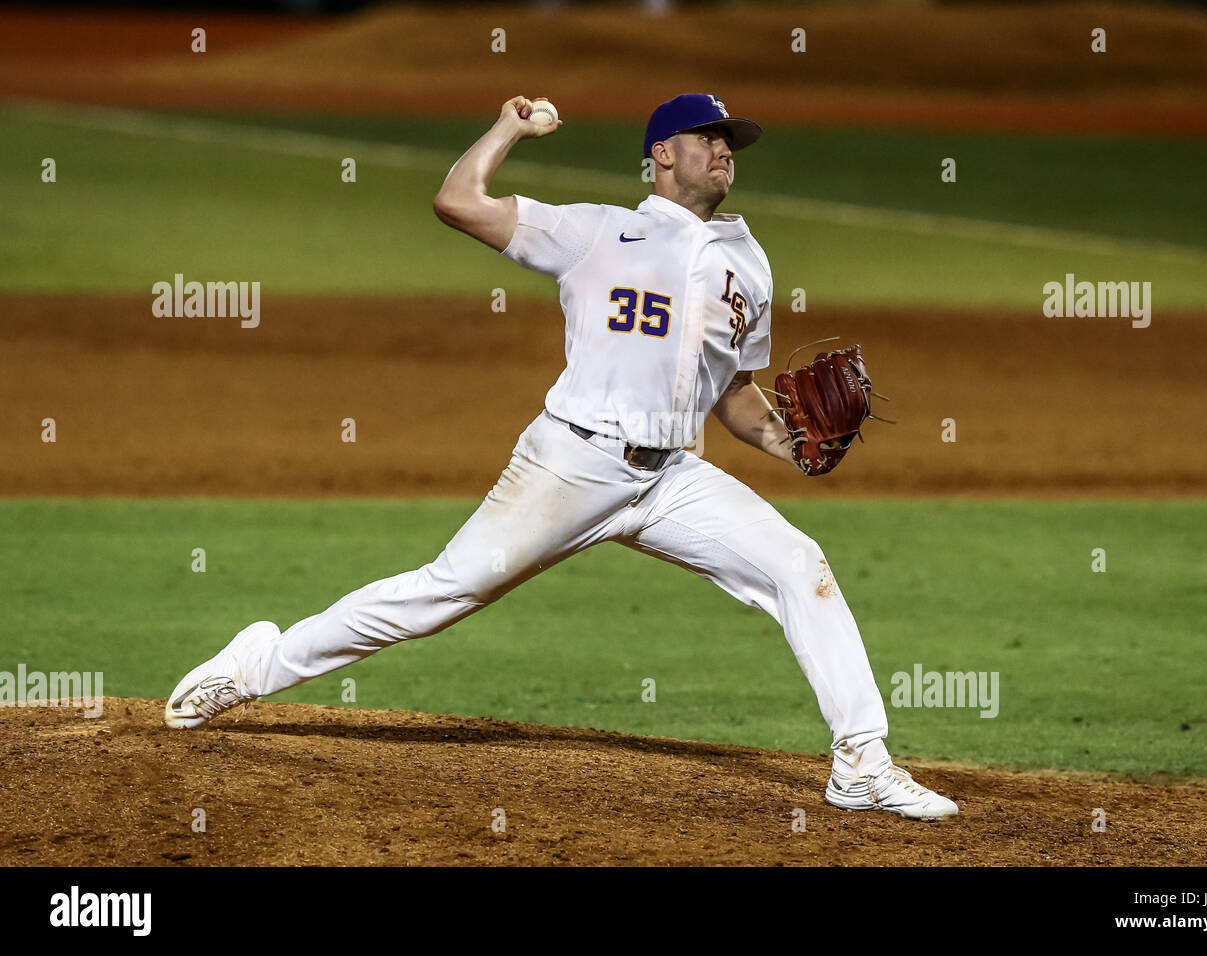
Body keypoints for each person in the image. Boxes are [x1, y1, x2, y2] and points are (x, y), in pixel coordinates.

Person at [163, 93, 958, 820]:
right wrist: (509, 127)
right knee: (442, 593)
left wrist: (790, 446)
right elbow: (457, 202)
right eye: (705, 137)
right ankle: (253, 666)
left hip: (670, 477)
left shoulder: (747, 263)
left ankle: (861, 760)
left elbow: (734, 393)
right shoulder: (594, 231)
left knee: (799, 563)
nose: (723, 149)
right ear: (661, 157)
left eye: (730, 140)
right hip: (569, 465)